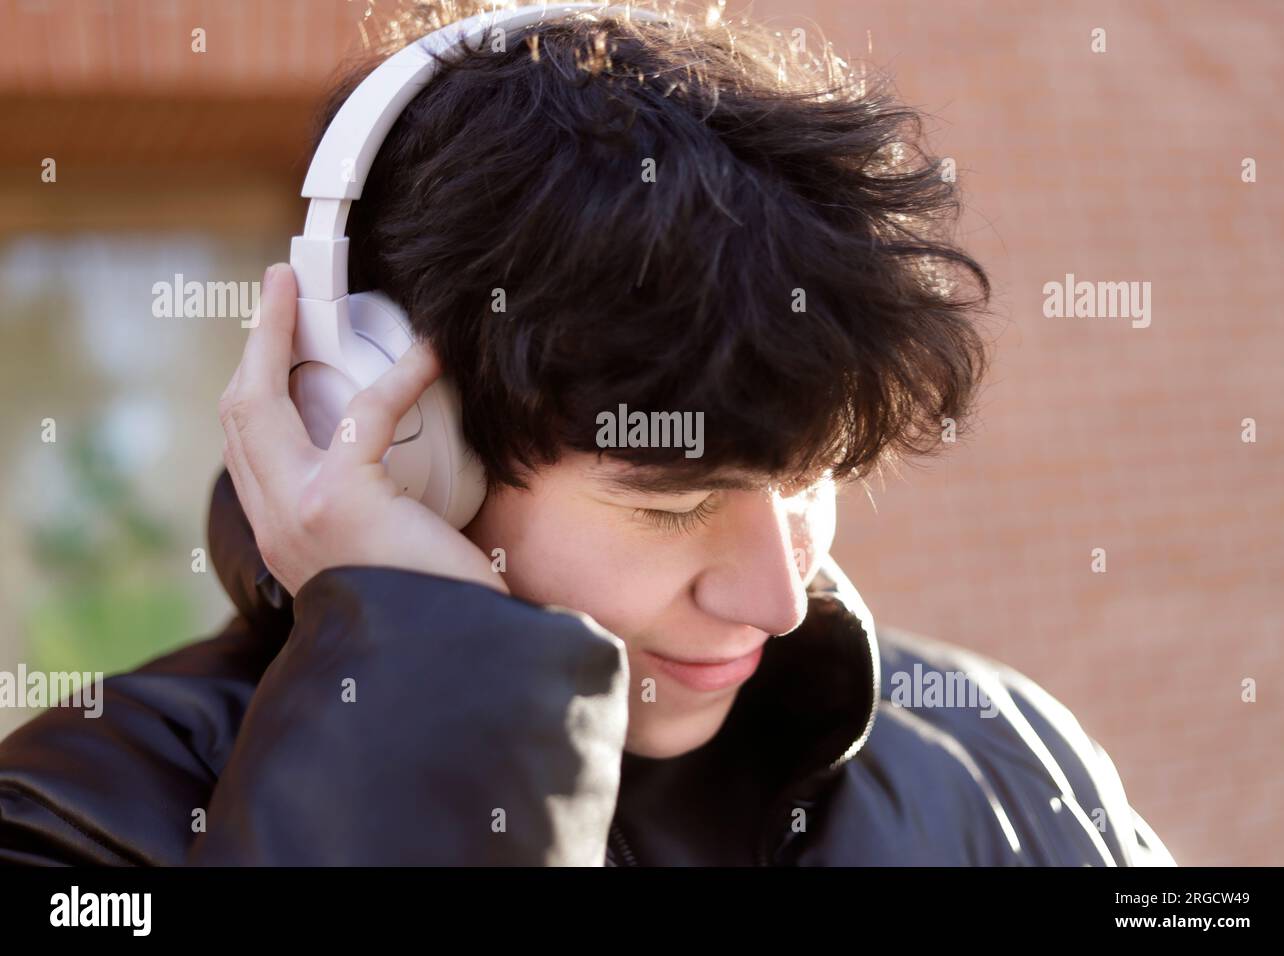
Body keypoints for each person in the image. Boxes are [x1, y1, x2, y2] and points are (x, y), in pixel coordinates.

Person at [0, 3, 1174, 866]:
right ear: (402, 443)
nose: (775, 598)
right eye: (668, 502)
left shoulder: (1010, 757)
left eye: (811, 476)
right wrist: (427, 664)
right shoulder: (75, 825)